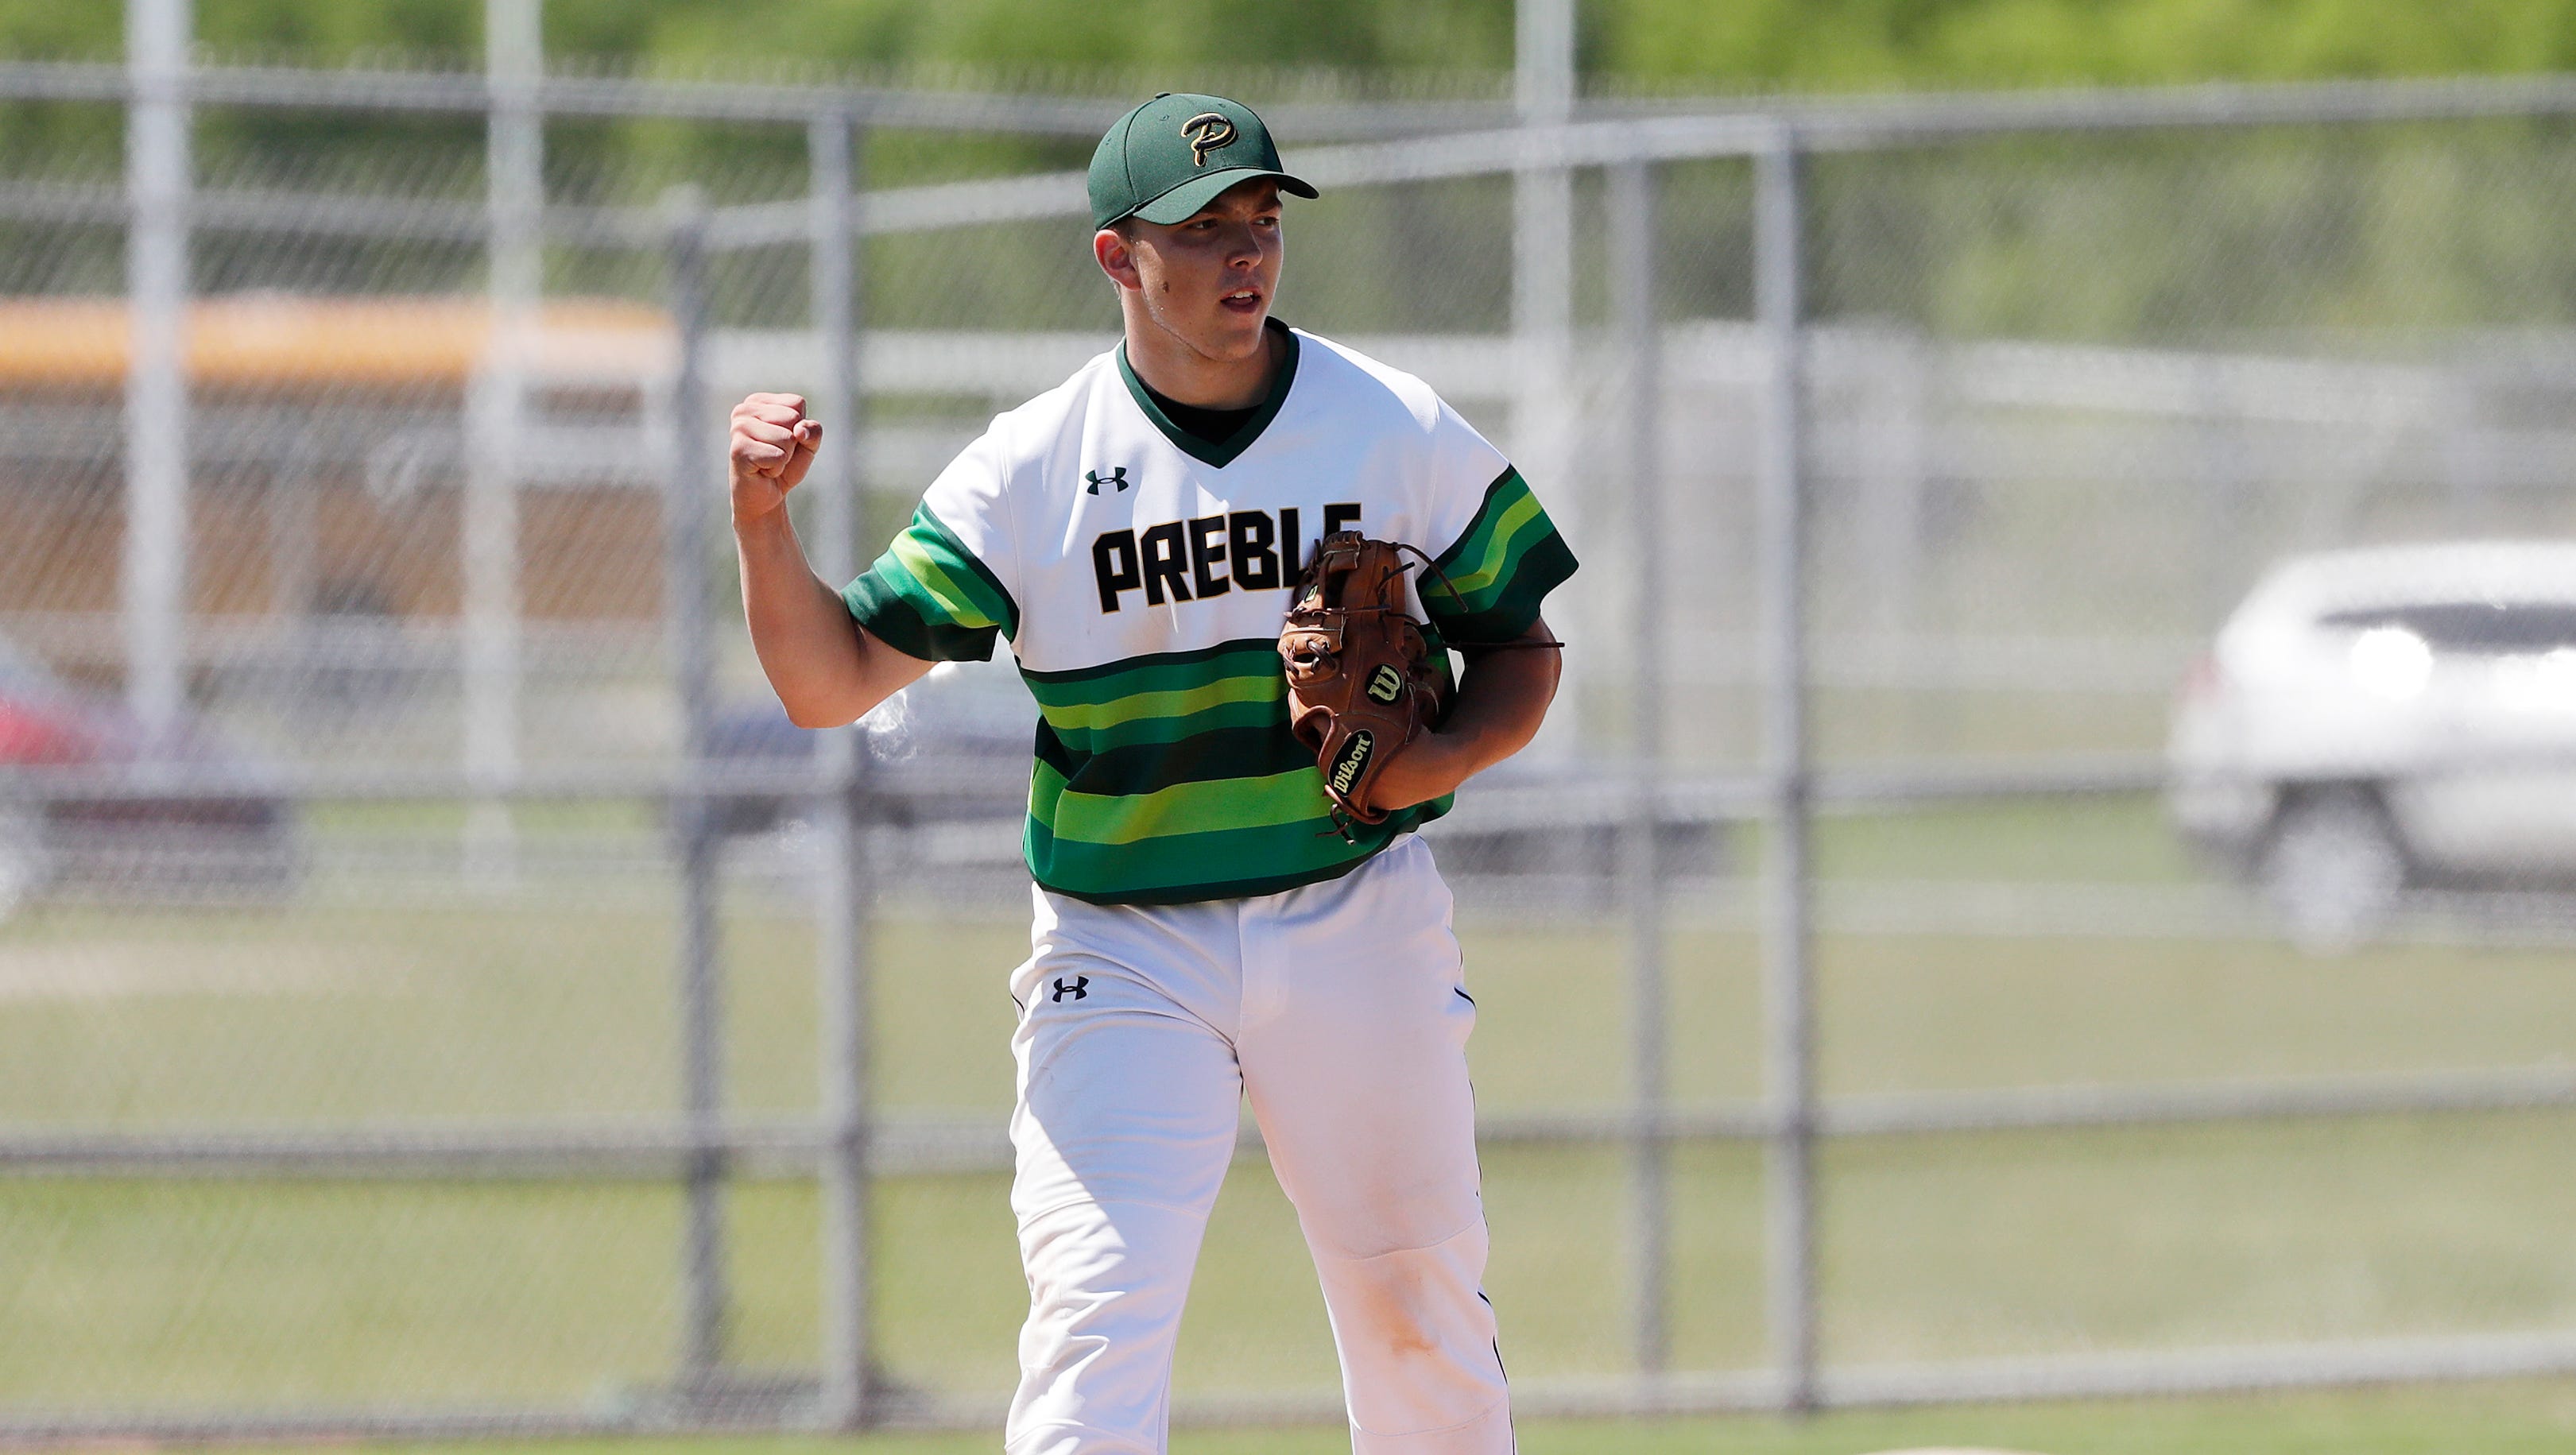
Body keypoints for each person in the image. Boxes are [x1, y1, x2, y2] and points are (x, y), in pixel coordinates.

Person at [727, 91, 1577, 1455]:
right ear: (1118, 258)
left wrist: (1440, 759)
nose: (1244, 255)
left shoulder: (1389, 426)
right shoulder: (1030, 470)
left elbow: (1521, 646)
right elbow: (825, 683)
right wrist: (763, 525)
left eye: (1259, 222)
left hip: (1351, 916)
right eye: (1201, 231)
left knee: (1419, 1314)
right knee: (1094, 1318)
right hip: (1121, 950)